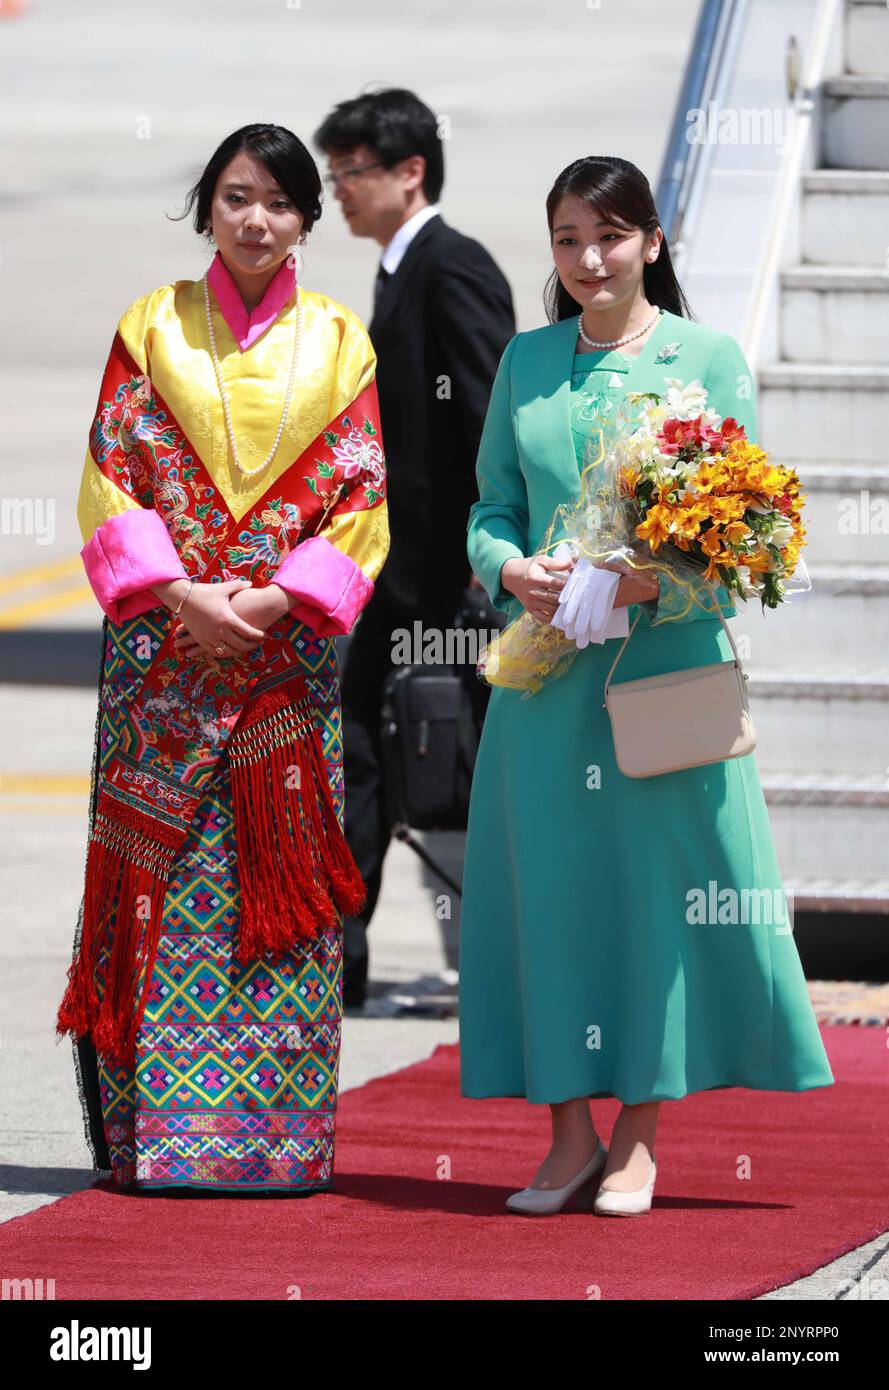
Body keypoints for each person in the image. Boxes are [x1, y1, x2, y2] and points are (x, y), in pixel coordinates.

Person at [458, 155, 834, 1218]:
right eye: (569, 239)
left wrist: (636, 587)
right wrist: (510, 570)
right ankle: (566, 1134)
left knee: (655, 911)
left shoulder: (705, 359)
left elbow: (746, 532)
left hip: (659, 683)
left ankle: (637, 1137)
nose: (588, 259)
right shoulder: (525, 361)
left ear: (652, 243)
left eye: (609, 236)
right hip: (540, 690)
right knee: (552, 908)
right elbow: (487, 508)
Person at [55, 123, 390, 1193]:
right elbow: (112, 474)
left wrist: (277, 596)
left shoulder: (342, 341)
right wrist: (183, 594)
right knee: (161, 888)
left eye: (281, 203)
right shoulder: (150, 327)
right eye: (238, 197)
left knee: (272, 891)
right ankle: (153, 1144)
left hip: (280, 665)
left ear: (306, 220)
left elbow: (364, 496)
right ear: (209, 206)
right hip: (161, 654)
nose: (256, 220)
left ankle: (271, 1147)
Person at [313, 88, 516, 1007]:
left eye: (351, 173)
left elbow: (488, 423)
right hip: (400, 584)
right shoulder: (400, 267)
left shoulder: (451, 266)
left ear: (409, 172)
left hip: (441, 585)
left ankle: (366, 955)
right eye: (335, 174)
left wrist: (482, 569)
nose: (338, 192)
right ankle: (339, 953)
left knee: (436, 766)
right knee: (361, 750)